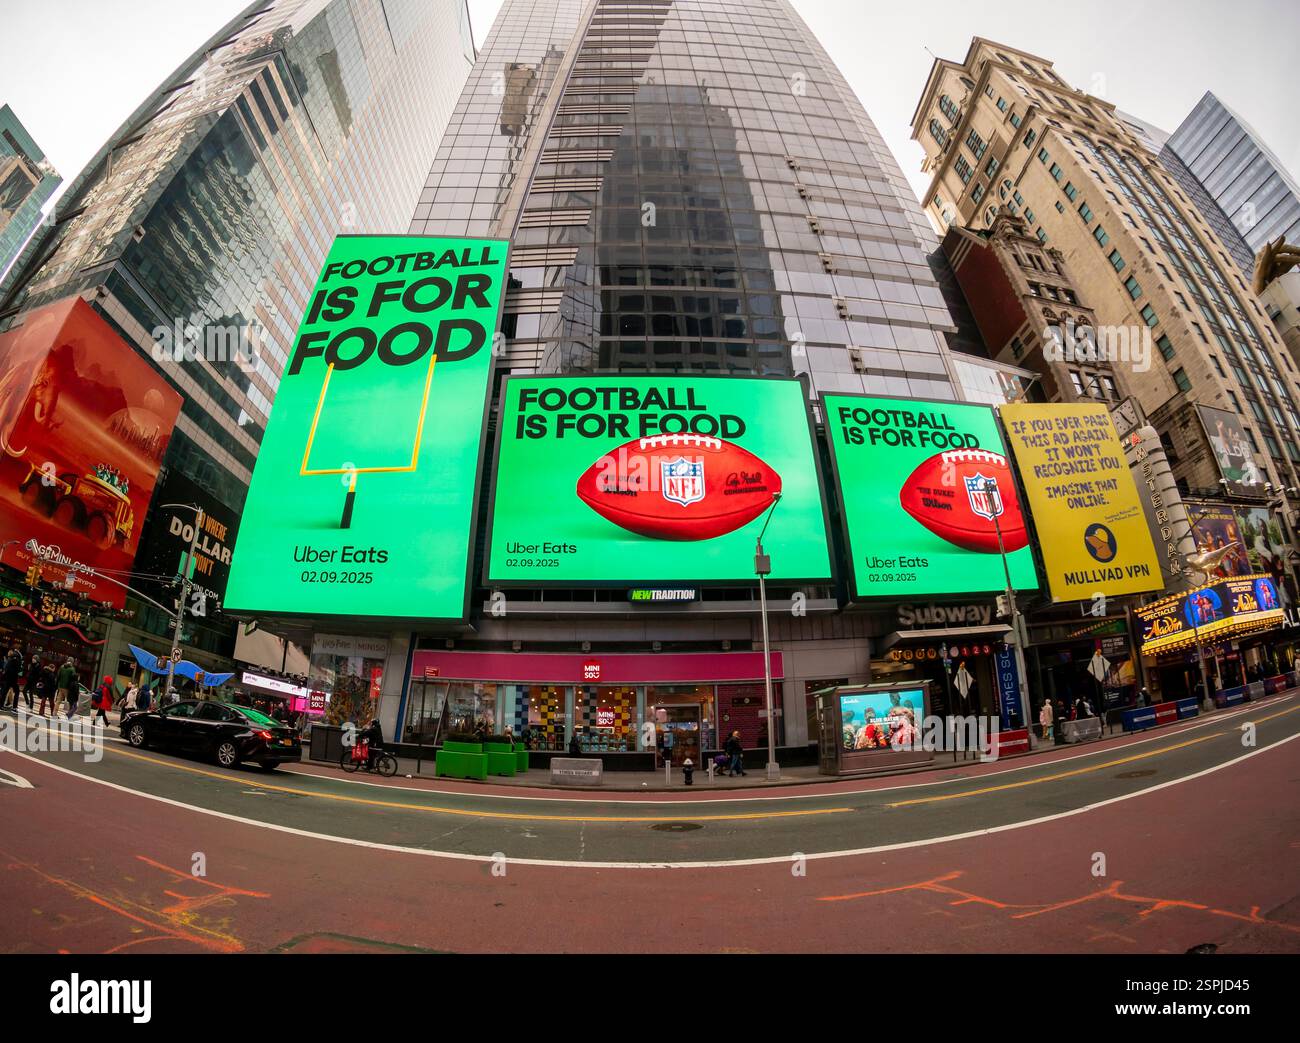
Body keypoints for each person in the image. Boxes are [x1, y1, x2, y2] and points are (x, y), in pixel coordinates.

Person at [2, 646, 22, 710]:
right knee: (17, 692)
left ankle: (1, 705)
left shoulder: (11, 658)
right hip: (13, 678)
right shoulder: (18, 658)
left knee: (5, 691)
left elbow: (6, 667)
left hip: (8, 677)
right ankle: (14, 707)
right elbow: (19, 669)